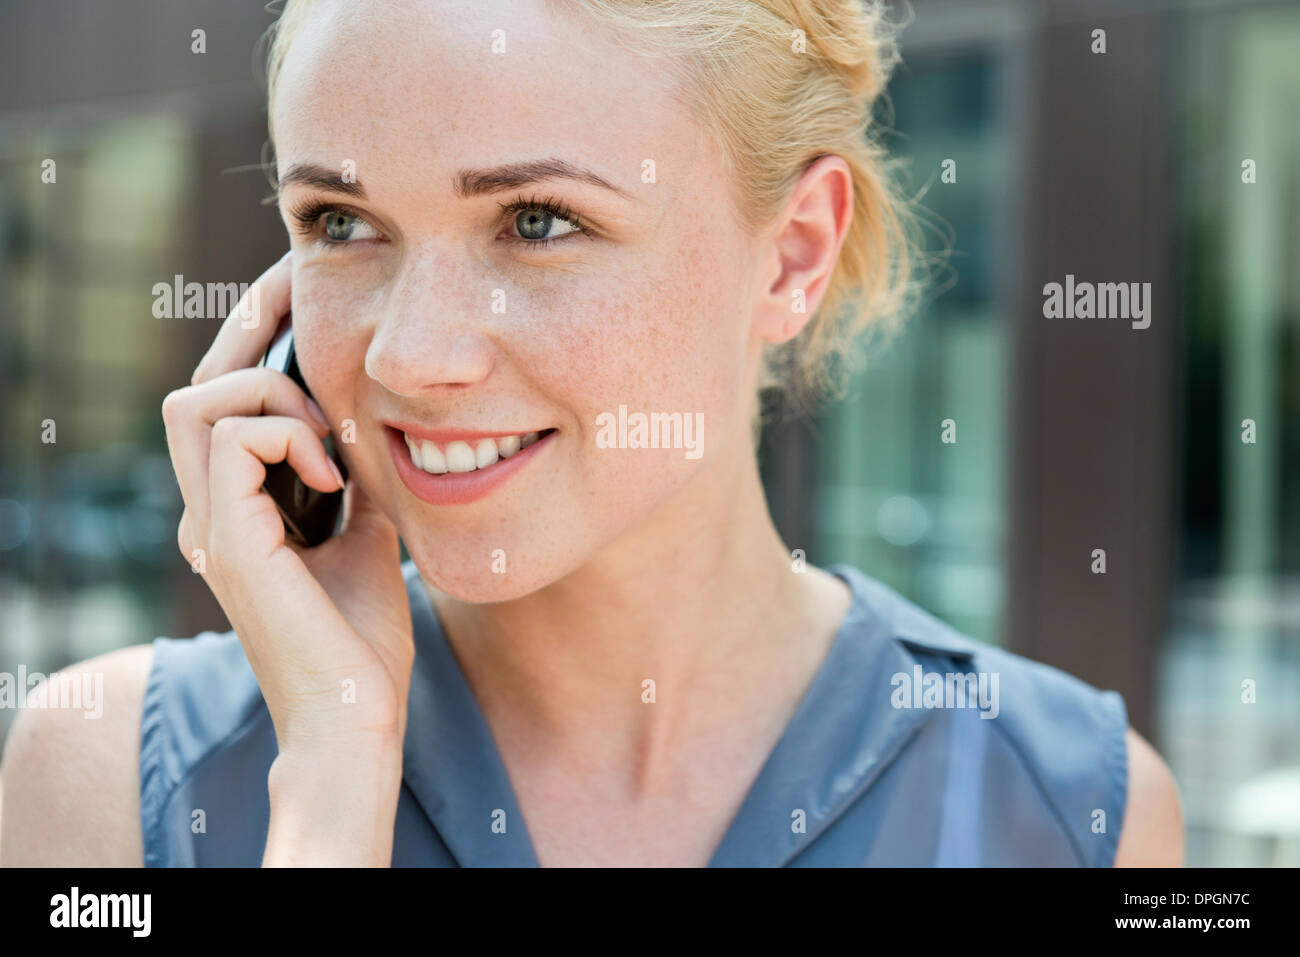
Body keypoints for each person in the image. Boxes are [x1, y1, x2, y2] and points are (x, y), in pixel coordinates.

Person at [0, 0, 1182, 867]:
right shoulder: (112, 782)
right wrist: (327, 788)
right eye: (341, 221)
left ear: (793, 252)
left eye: (537, 220)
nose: (413, 357)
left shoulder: (1076, 808)